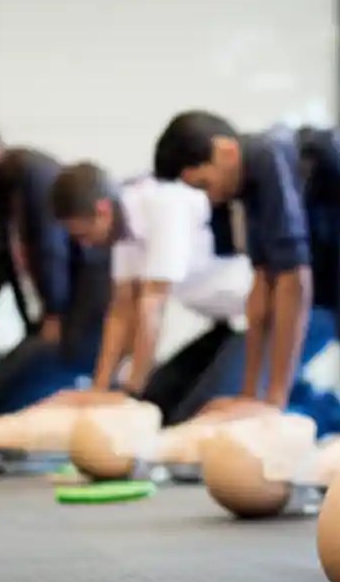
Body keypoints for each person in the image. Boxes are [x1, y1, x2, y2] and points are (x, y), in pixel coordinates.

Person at [151, 112, 340, 432]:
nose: (210, 197)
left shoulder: (268, 155)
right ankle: (303, 399)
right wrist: (249, 395)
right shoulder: (243, 184)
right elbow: (262, 281)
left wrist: (273, 399)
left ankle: (334, 407)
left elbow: (294, 281)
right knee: (213, 408)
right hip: (310, 299)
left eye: (205, 184)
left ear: (225, 151)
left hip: (334, 299)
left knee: (226, 415)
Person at [49, 162, 253, 426]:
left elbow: (151, 306)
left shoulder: (162, 206)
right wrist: (99, 390)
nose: (84, 244)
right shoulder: (122, 225)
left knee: (192, 418)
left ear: (102, 211)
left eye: (84, 234)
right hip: (226, 322)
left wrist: (131, 393)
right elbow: (121, 310)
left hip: (258, 317)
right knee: (160, 406)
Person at [0, 113, 110, 414]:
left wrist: (55, 313)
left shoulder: (32, 174)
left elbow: (51, 246)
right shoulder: (1, 183)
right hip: (49, 314)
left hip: (77, 312)